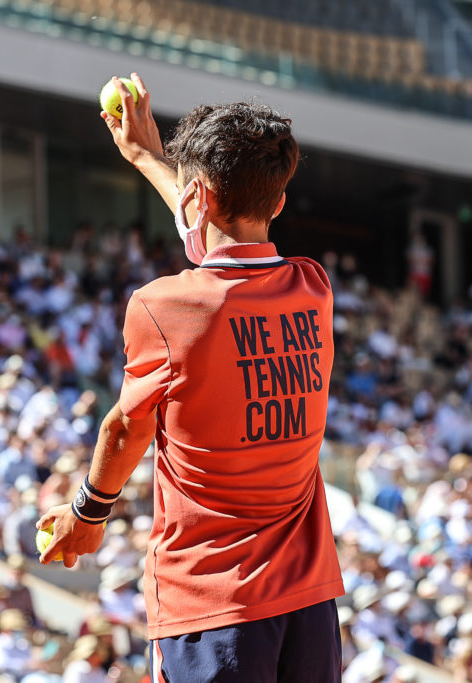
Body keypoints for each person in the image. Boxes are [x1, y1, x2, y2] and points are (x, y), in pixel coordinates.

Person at [39, 75, 343, 682]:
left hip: (210, 605)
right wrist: (148, 158)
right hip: (308, 603)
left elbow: (126, 426)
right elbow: (218, 237)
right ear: (278, 202)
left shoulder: (163, 306)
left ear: (197, 195)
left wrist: (88, 514)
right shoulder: (313, 289)